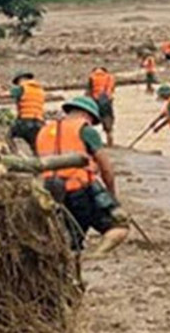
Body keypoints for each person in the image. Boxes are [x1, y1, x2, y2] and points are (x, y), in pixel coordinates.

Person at [35, 96, 129, 257]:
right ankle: (96, 255)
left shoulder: (43, 131)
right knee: (119, 227)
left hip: (50, 191)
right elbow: (106, 168)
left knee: (69, 237)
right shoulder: (85, 131)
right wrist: (112, 196)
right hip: (79, 191)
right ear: (87, 115)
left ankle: (69, 254)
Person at [8, 72, 46, 150]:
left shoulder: (22, 88)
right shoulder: (40, 90)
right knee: (35, 146)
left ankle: (16, 154)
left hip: (25, 121)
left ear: (21, 79)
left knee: (9, 136)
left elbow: (0, 94)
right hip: (39, 122)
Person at [87, 65, 117, 145]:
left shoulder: (92, 77)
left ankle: (90, 140)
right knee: (107, 121)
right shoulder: (109, 77)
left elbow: (89, 90)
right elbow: (112, 89)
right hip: (106, 101)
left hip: (95, 101)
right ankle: (110, 139)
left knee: (89, 121)